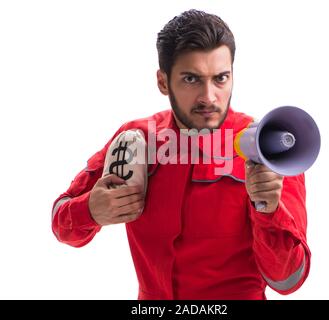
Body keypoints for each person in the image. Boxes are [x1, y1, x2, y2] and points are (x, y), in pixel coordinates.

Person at [52, 9, 310, 300]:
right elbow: (61, 223)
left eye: (221, 78)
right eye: (191, 79)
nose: (209, 97)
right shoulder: (137, 138)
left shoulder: (269, 153)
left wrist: (269, 211)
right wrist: (90, 210)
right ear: (163, 82)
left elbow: (288, 280)